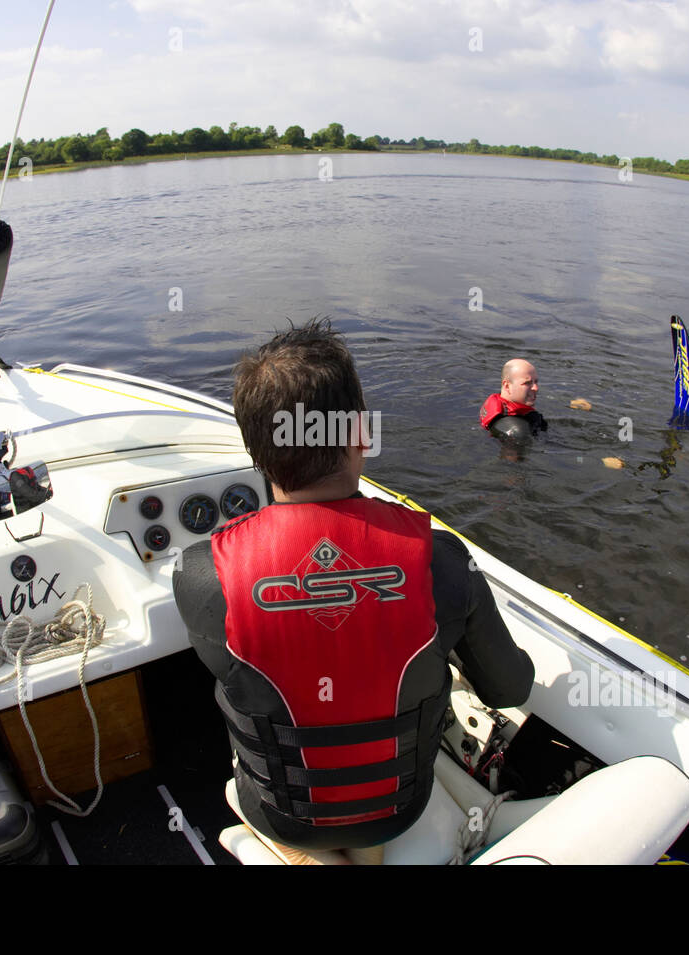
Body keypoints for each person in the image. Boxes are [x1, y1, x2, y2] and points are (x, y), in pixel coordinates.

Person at [172, 317, 533, 858]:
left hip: (280, 817)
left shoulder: (200, 573)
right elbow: (510, 690)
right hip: (399, 812)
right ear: (360, 435)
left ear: (253, 449)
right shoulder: (442, 560)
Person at [480, 358, 546, 440]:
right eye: (527, 383)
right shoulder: (517, 431)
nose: (536, 388)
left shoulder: (502, 403)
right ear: (507, 386)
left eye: (536, 382)